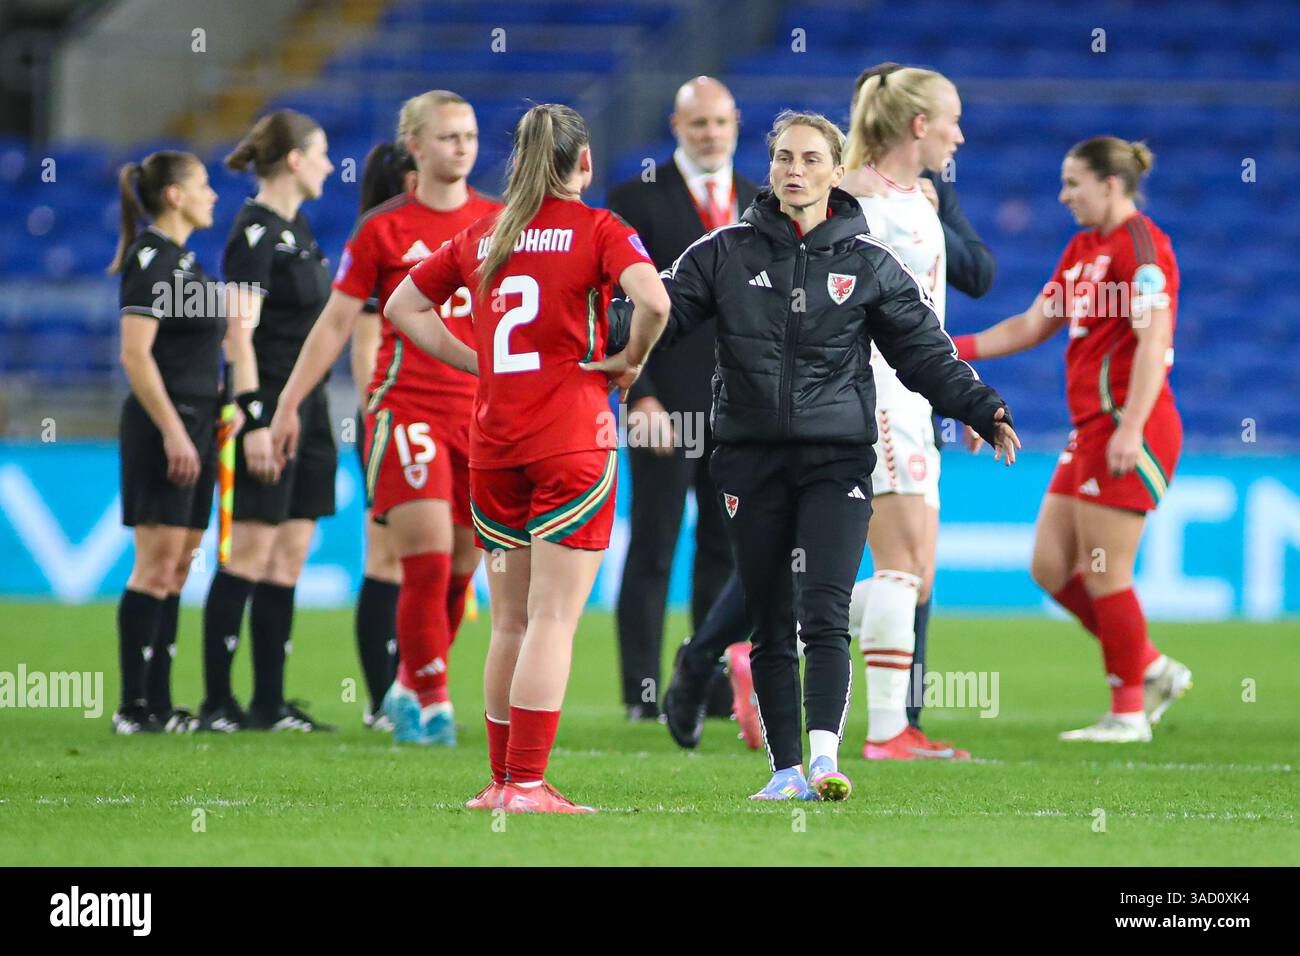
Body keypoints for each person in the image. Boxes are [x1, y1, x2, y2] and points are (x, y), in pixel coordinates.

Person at [635, 110, 1019, 801]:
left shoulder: (870, 263)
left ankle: (823, 760)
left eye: (811, 159)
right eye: (784, 158)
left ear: (836, 171)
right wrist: (593, 334)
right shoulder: (723, 252)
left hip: (839, 459)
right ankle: (785, 772)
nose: (794, 170)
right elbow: (657, 311)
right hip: (748, 461)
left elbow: (923, 352)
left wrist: (981, 407)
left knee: (824, 608)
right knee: (769, 618)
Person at [385, 103, 669, 813]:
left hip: (494, 447)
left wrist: (477, 360)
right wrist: (629, 362)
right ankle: (531, 783)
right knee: (552, 620)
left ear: (515, 165)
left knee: (509, 621)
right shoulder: (600, 228)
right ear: (584, 164)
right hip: (571, 441)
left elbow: (400, 308)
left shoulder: (482, 234)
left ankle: (501, 782)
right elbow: (655, 301)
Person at [269, 90, 499, 744]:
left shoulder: (500, 220)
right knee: (423, 561)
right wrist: (288, 403)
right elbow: (336, 323)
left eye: (470, 135)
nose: (462, 147)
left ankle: (407, 683)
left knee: (461, 569)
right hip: (408, 410)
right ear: (417, 147)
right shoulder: (382, 229)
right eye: (449, 136)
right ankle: (432, 706)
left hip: (482, 418)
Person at [952, 136, 1191, 742]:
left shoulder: (1141, 246)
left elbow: (1154, 336)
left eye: (1073, 183)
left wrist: (1131, 426)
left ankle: (1128, 712)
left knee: (1105, 570)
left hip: (1128, 423)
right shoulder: (1085, 247)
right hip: (1091, 427)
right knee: (1050, 566)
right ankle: (1151, 666)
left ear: (1110, 185)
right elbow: (1035, 324)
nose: (1062, 196)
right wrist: (947, 352)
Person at [605, 76, 759, 722]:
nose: (711, 134)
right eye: (699, 124)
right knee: (654, 547)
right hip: (663, 407)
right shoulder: (634, 199)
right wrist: (638, 395)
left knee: (726, 553)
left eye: (721, 122)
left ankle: (711, 690)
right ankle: (643, 693)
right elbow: (617, 307)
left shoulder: (760, 200)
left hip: (738, 415)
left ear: (736, 123)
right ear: (676, 126)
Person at [839, 67, 982, 760]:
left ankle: (770, 640)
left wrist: (962, 394)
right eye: (951, 120)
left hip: (920, 400)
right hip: (880, 394)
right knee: (899, 566)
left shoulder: (917, 200)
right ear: (919, 125)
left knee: (916, 576)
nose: (960, 133)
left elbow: (933, 312)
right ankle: (887, 732)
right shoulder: (858, 200)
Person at [198, 110, 336, 733]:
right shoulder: (253, 231)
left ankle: (269, 703)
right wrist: (252, 418)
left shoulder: (298, 228)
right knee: (250, 551)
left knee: (290, 555)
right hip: (269, 404)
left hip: (310, 407)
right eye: (323, 154)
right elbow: (238, 332)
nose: (332, 166)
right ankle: (219, 703)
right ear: (297, 160)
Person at [108, 150, 222, 734]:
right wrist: (174, 430)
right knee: (154, 568)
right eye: (204, 184)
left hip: (199, 425)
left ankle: (159, 702)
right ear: (175, 194)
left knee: (178, 567)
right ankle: (133, 707)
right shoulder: (151, 259)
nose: (214, 194)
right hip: (164, 428)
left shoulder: (185, 263)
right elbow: (135, 354)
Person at [349, 140, 417, 730]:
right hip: (393, 418)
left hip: (434, 418)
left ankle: (412, 685)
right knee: (387, 559)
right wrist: (375, 416)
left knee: (423, 561)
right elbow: (366, 345)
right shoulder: (387, 244)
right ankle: (380, 698)